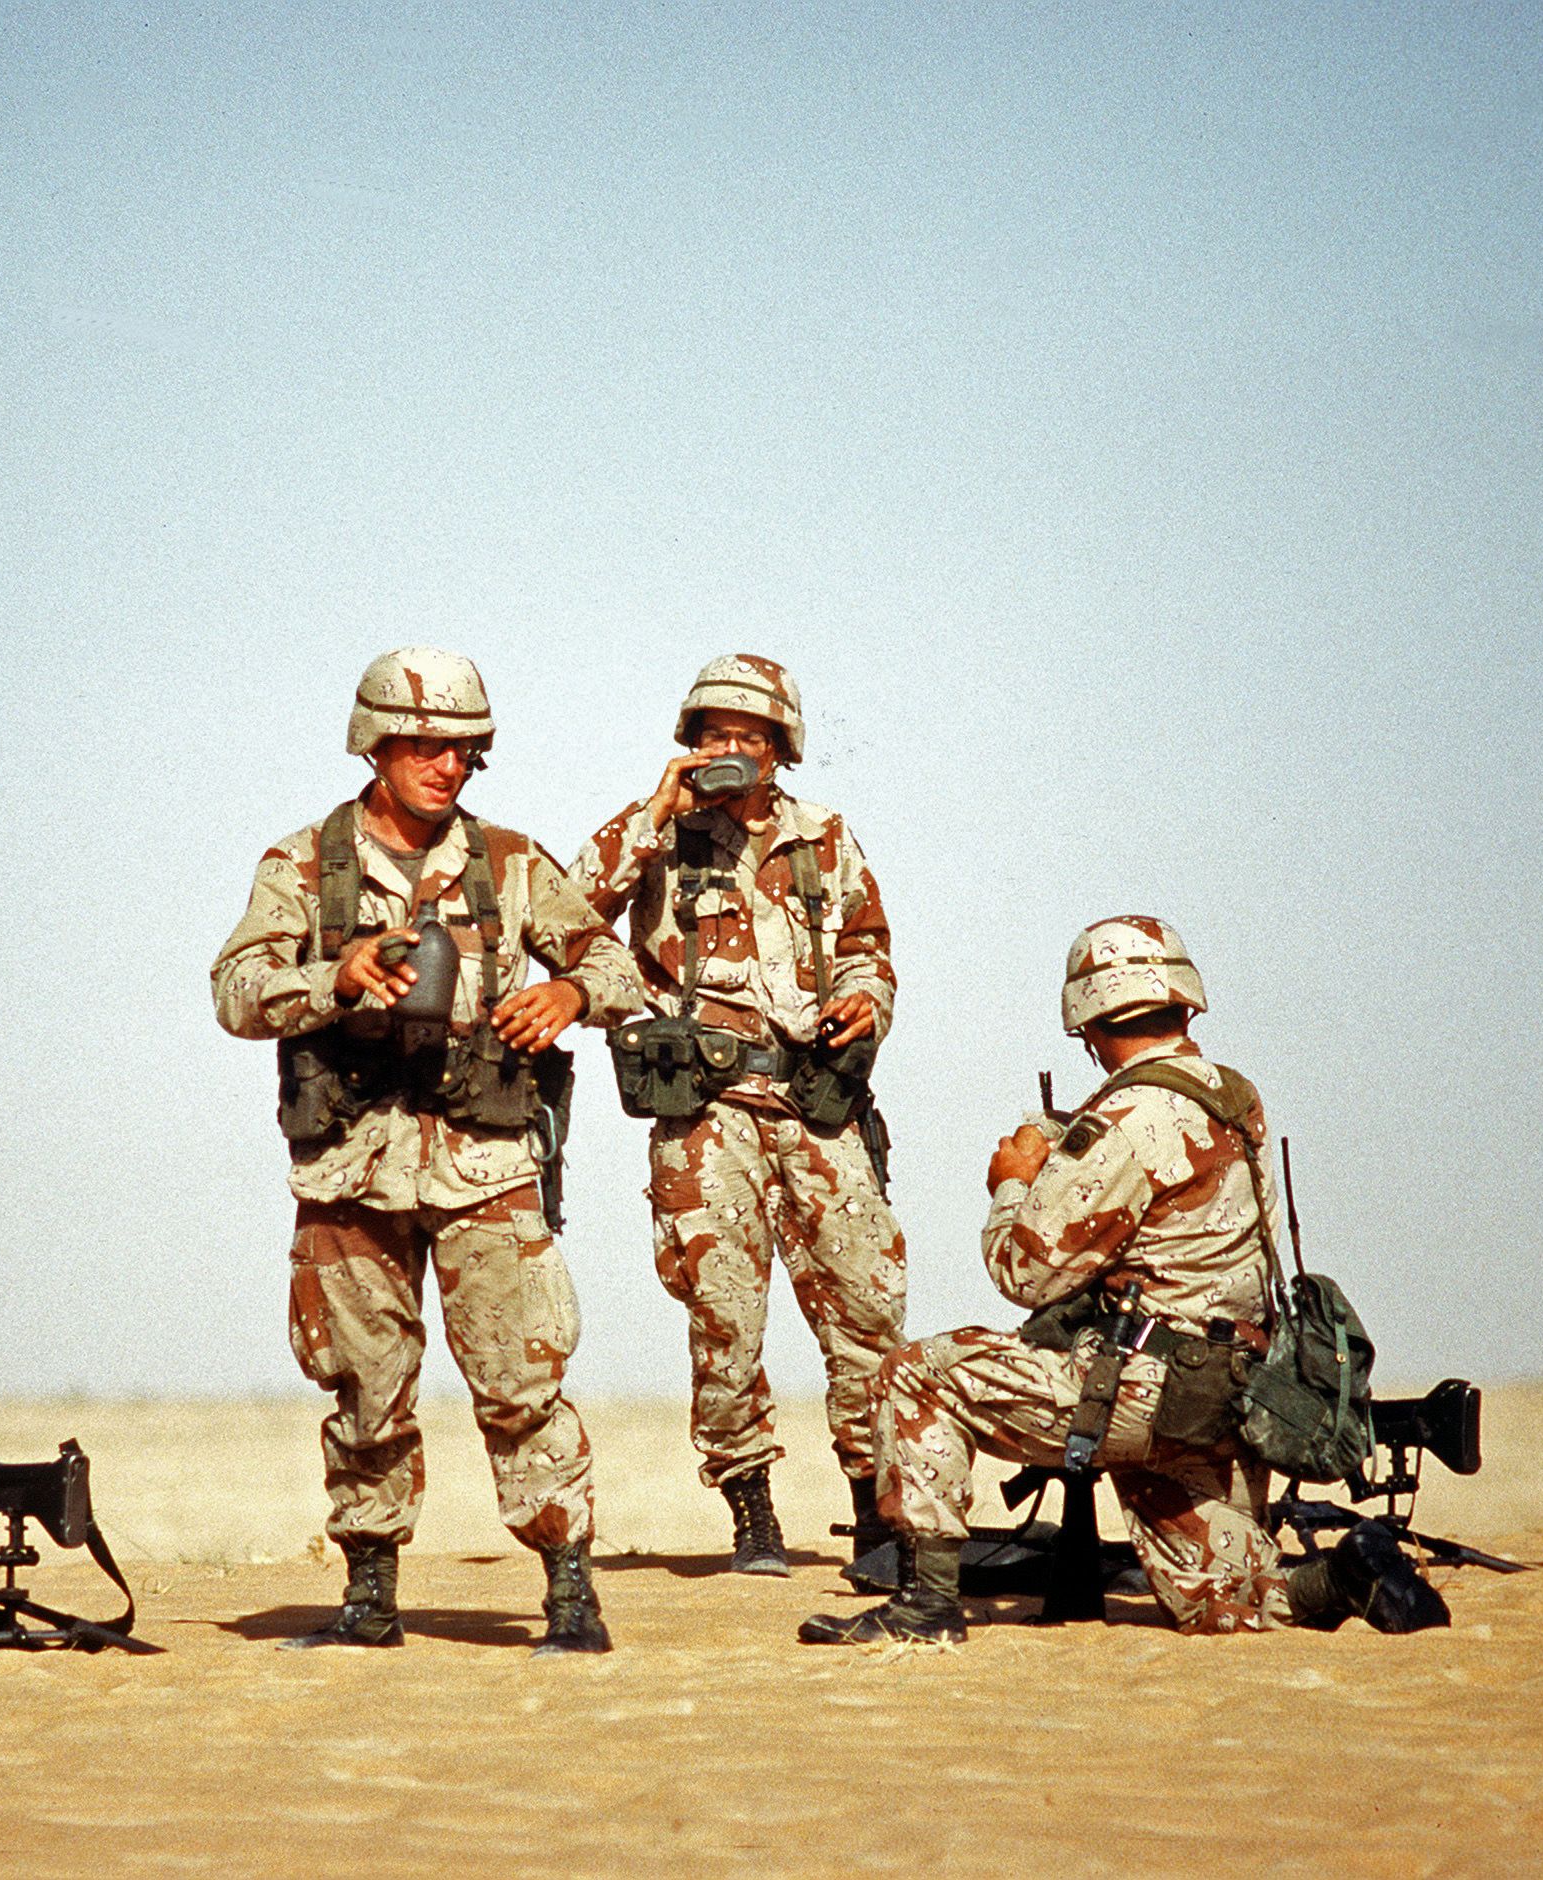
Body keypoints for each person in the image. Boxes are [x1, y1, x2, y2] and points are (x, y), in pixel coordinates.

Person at [801, 917, 1436, 1645]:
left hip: (1140, 1392)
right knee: (1222, 1606)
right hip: (1227, 1395)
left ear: (1089, 1021)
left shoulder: (1124, 1122)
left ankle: (925, 1607)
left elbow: (1025, 1272)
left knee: (915, 1374)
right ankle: (1348, 1576)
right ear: (1184, 1003)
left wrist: (1015, 1183)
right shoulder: (1235, 1096)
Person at [212, 648, 644, 1654]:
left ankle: (570, 1593)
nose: (445, 766)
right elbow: (235, 990)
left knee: (521, 1379)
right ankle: (369, 1594)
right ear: (375, 742)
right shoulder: (301, 864)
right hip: (349, 1163)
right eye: (423, 745)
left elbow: (611, 958)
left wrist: (570, 994)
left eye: (462, 750)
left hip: (483, 1161)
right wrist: (332, 976)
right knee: (362, 1383)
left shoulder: (510, 861)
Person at [573, 655, 906, 1575]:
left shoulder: (825, 839)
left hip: (814, 1099)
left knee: (867, 1307)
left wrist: (865, 999)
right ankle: (750, 1508)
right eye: (714, 734)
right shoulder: (662, 838)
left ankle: (875, 1517)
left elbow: (872, 950)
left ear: (781, 749)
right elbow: (565, 910)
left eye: (748, 737)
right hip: (708, 1108)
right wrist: (652, 814)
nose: (730, 750)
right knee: (724, 1308)